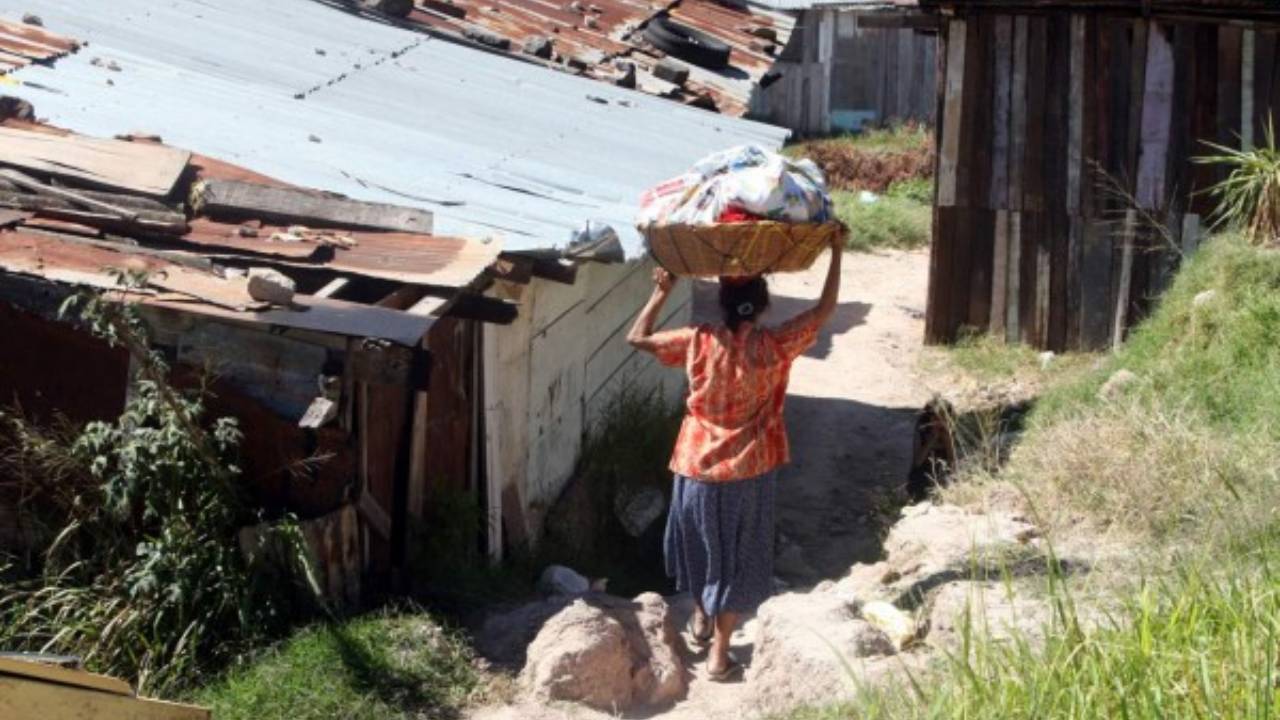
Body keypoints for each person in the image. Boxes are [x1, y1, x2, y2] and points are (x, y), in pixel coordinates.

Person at [626, 234, 844, 681]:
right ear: (761, 306)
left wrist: (660, 291)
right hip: (750, 470)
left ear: (722, 304)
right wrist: (837, 252)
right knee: (739, 557)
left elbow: (637, 338)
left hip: (696, 467)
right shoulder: (775, 345)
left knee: (706, 549)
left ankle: (702, 616)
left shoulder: (698, 341)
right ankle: (719, 655)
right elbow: (823, 311)